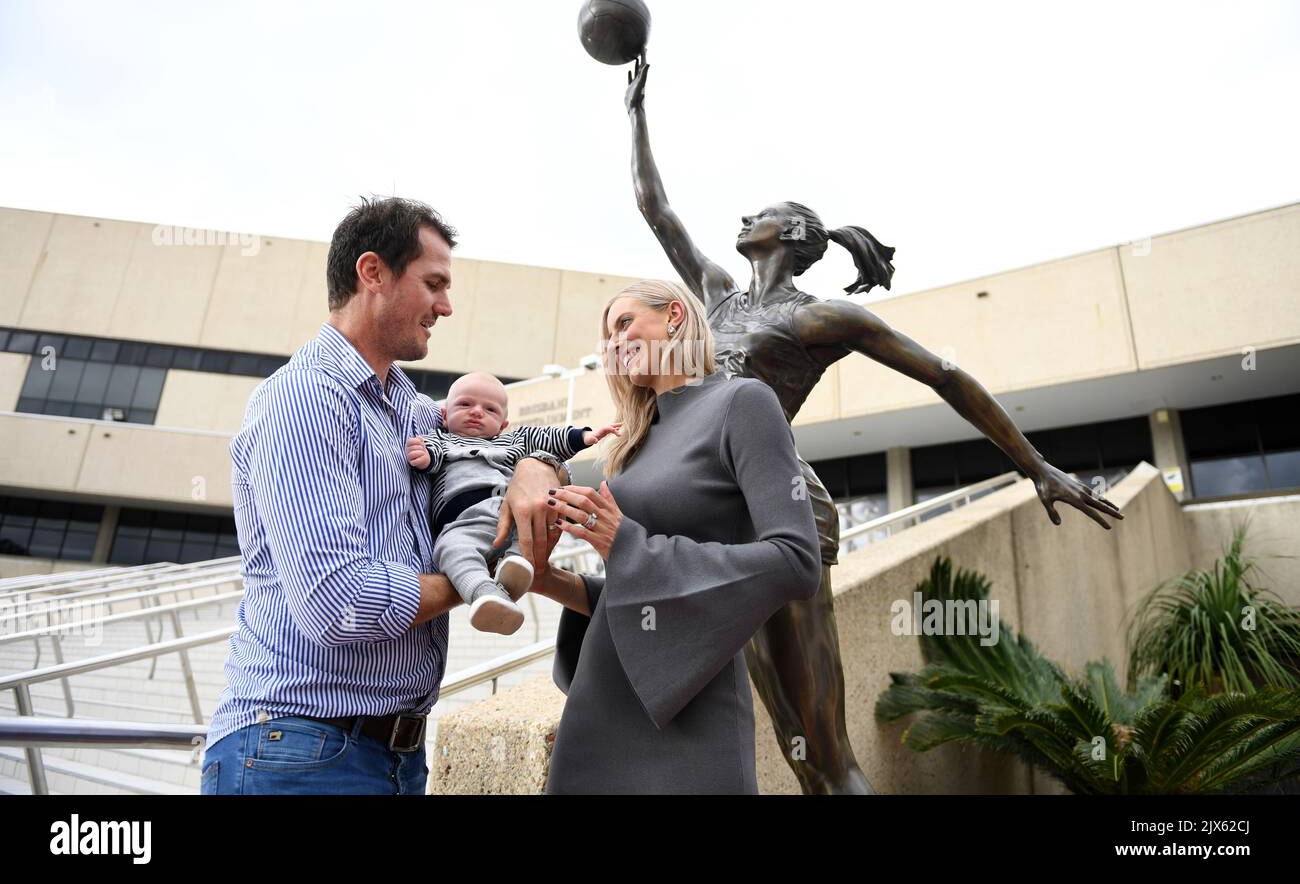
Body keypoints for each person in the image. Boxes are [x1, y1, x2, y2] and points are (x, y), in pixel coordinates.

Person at [618, 55, 1124, 793]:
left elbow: (944, 375)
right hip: (721, 513)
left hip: (781, 511)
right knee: (798, 754)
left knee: (825, 750)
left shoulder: (822, 316)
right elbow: (654, 208)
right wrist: (635, 113)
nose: (739, 220)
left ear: (788, 232)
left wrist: (1034, 465)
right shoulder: (718, 296)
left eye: (755, 213)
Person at [200, 196, 569, 795]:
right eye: (434, 284)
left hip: (394, 756)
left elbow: (501, 445)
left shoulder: (412, 409)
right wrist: (477, 582)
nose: (446, 307)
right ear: (372, 273)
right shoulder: (301, 402)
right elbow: (337, 601)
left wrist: (536, 463)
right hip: (298, 752)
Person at [534, 279, 823, 793]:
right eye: (607, 334)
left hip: (691, 696)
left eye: (624, 322)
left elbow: (797, 560)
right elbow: (634, 585)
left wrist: (624, 542)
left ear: (673, 315)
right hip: (601, 694)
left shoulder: (744, 402)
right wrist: (547, 578)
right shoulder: (633, 442)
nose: (614, 341)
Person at [404, 370, 620, 635]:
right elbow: (428, 454)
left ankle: (516, 564)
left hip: (508, 511)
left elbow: (547, 438)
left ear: (503, 424)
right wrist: (423, 457)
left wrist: (584, 437)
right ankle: (486, 594)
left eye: (490, 409)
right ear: (445, 416)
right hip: (462, 524)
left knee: (528, 531)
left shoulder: (512, 441)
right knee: (451, 552)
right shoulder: (441, 440)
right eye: (465, 404)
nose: (476, 412)